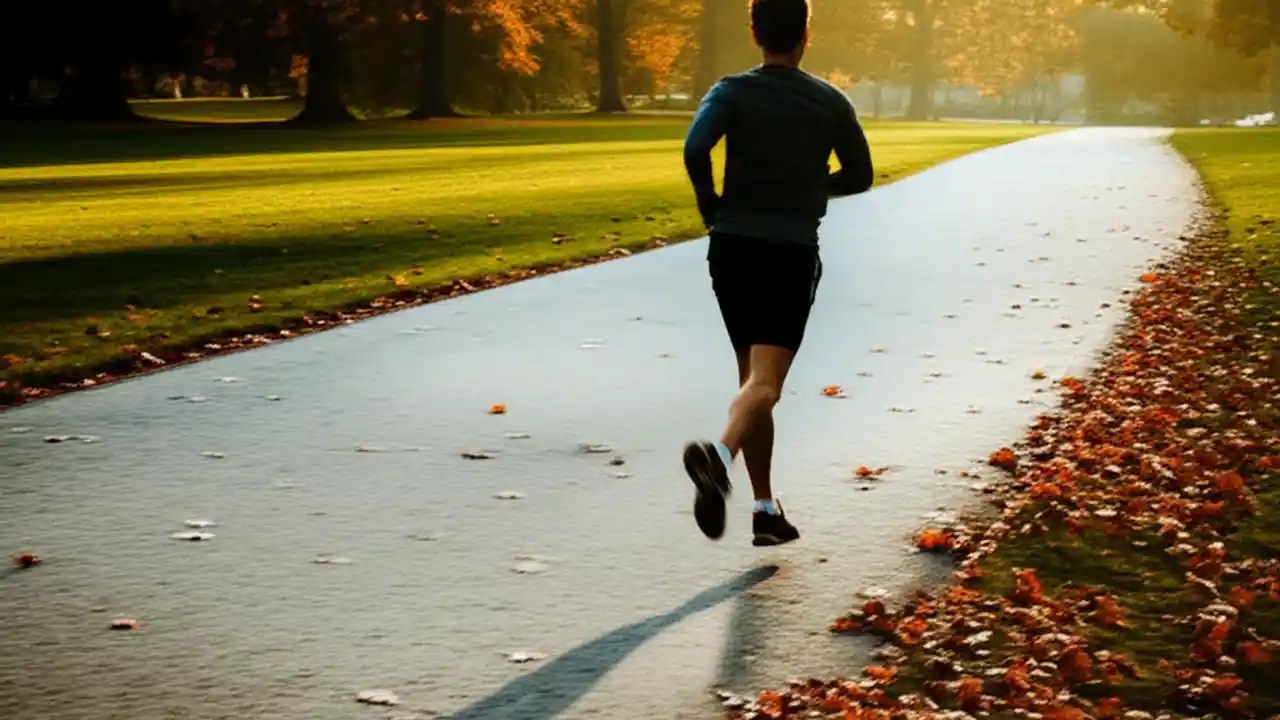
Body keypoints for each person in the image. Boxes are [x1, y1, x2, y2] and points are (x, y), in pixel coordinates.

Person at [681, 0, 874, 547]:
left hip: (731, 247)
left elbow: (696, 147)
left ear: (755, 32)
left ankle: (765, 510)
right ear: (805, 34)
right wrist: (815, 187)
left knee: (753, 383)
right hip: (788, 251)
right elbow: (860, 175)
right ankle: (719, 457)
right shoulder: (830, 101)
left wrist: (710, 204)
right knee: (765, 384)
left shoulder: (731, 91)